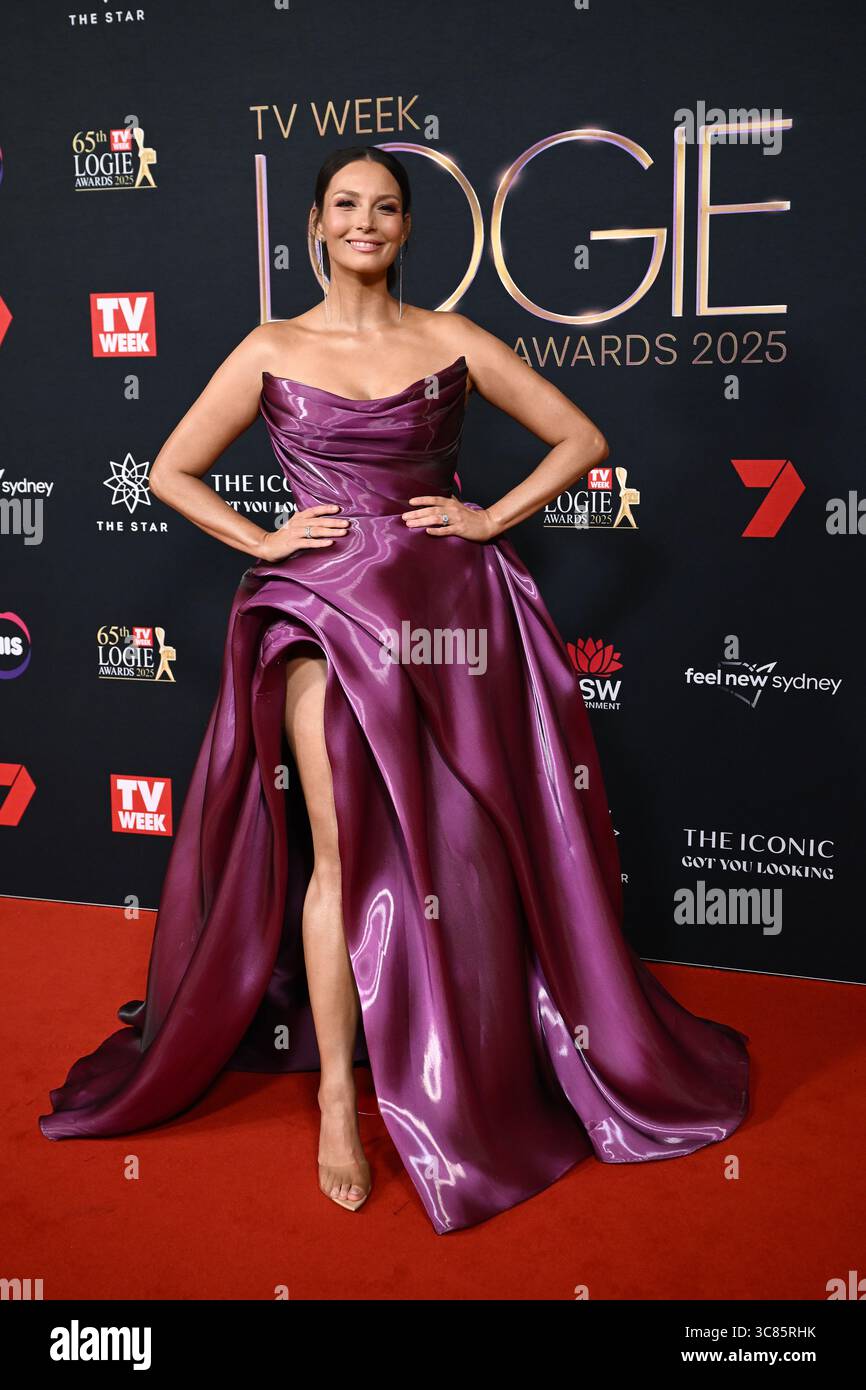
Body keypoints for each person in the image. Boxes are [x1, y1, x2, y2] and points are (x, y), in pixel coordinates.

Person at [39, 145, 750, 1234]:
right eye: (344, 206)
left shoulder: (450, 338)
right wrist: (265, 538)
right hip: (319, 615)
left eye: (384, 207)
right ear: (315, 227)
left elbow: (582, 438)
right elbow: (168, 470)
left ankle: (475, 1053)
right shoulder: (272, 346)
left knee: (459, 847)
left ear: (406, 229)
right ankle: (338, 1095)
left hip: (451, 620)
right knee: (341, 847)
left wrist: (486, 517)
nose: (363, 222)